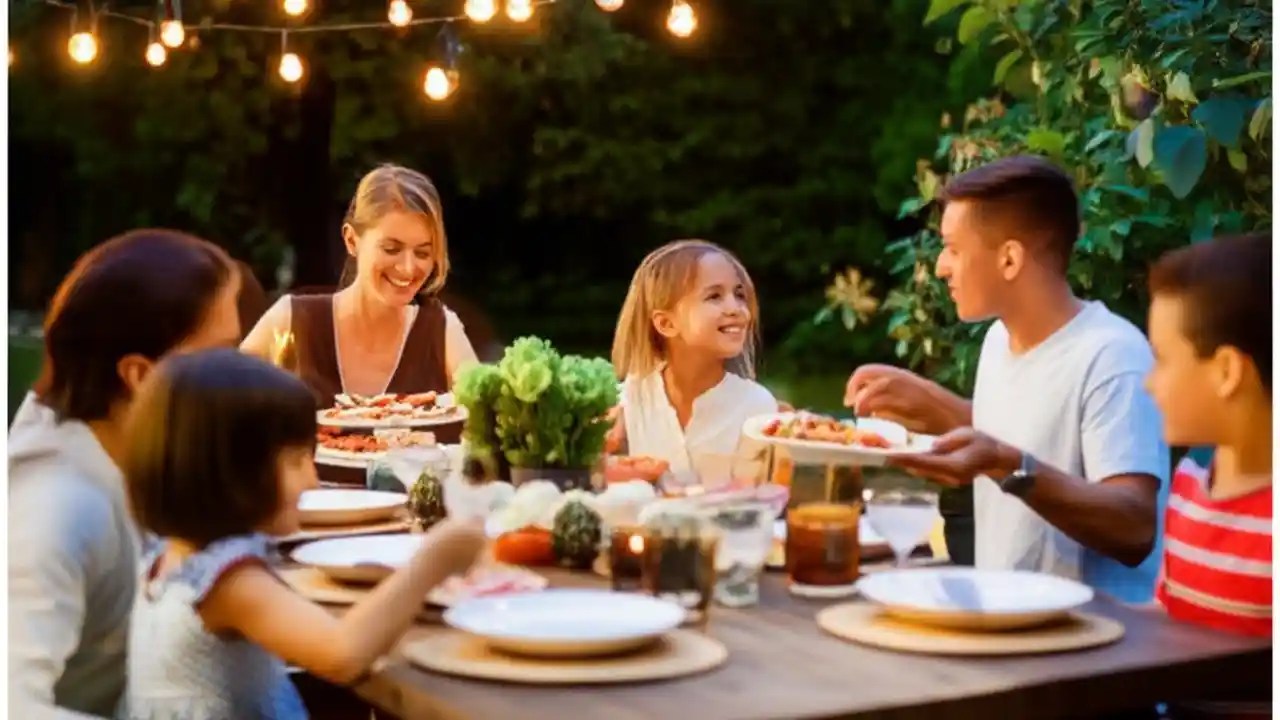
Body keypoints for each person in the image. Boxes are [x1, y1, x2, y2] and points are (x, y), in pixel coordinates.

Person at [846, 156, 1168, 602]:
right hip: (1008, 615)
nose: (941, 266)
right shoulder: (999, 339)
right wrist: (930, 404)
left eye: (954, 248)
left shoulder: (1112, 355)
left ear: (1010, 258)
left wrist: (1005, 464)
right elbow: (1032, 434)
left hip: (1097, 643)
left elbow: (1134, 526)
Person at [118, 349, 487, 719]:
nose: (312, 479)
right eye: (296, 461)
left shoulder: (169, 557)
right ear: (236, 472)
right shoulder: (227, 582)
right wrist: (432, 561)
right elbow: (343, 656)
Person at [8, 230, 241, 718]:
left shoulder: (123, 444)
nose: (235, 377)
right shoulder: (58, 507)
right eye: (219, 356)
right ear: (138, 375)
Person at [242, 165, 479, 482]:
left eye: (423, 252)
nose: (408, 268)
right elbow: (223, 412)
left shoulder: (442, 330)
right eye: (391, 249)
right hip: (309, 518)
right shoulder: (293, 319)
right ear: (352, 240)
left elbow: (484, 433)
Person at [1143, 235, 1271, 637]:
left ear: (1226, 372)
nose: (1150, 383)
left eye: (1162, 360)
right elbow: (1166, 625)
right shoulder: (1190, 485)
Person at [609, 239, 779, 490]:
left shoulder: (756, 406)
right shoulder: (631, 399)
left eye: (739, 295)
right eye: (714, 296)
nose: (736, 308)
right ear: (666, 324)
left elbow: (757, 503)